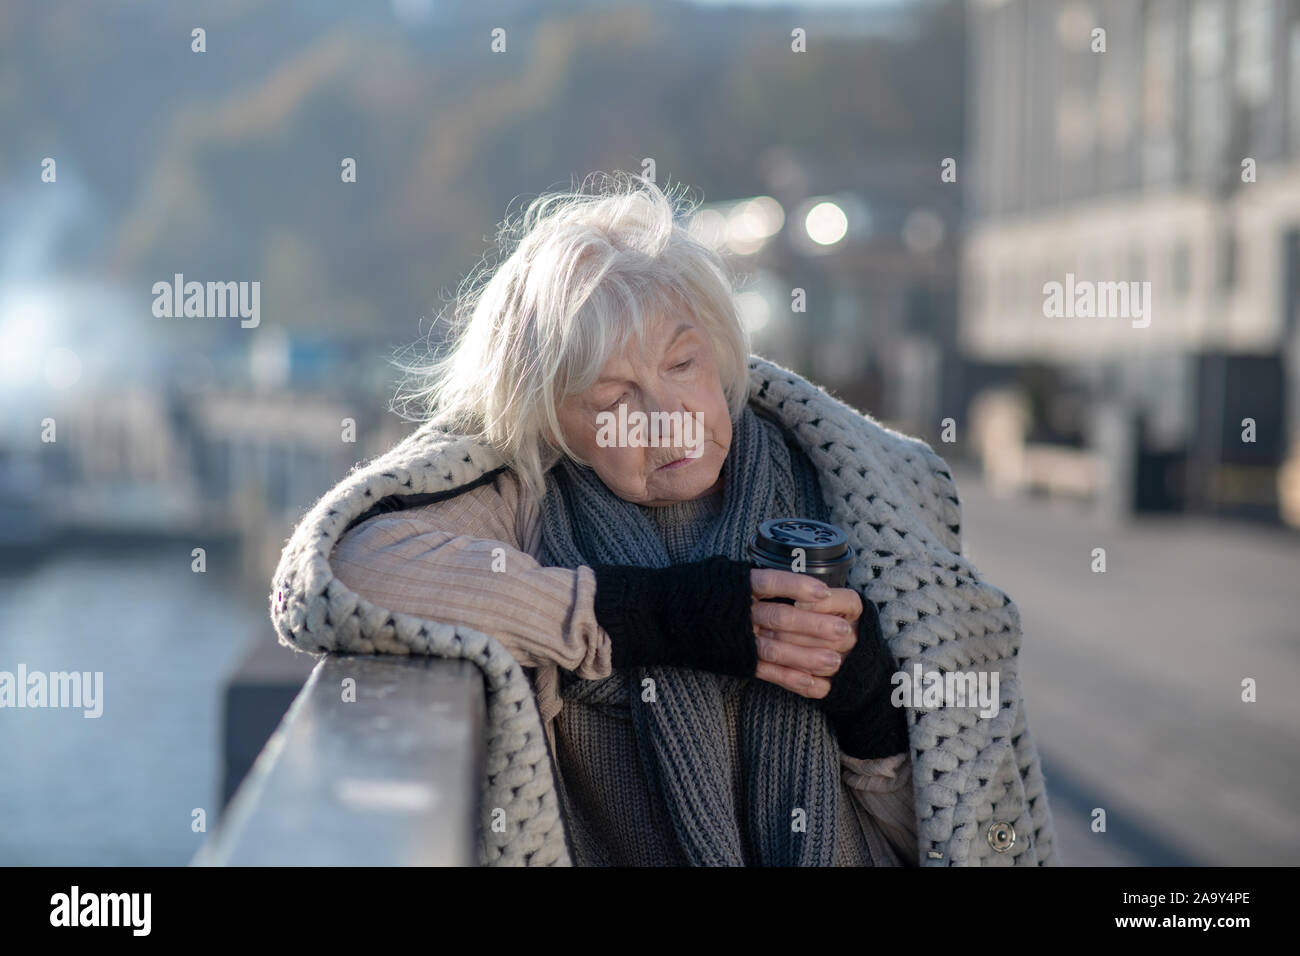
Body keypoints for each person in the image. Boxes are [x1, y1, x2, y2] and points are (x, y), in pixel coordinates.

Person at [270, 171, 1061, 867]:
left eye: (683, 364)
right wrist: (660, 616)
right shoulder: (525, 501)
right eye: (614, 397)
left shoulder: (840, 487)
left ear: (718, 352)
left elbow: (969, 841)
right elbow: (344, 569)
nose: (669, 417)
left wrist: (865, 701)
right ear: (550, 424)